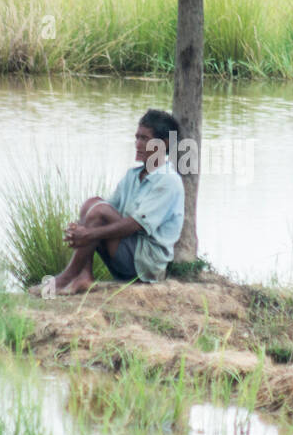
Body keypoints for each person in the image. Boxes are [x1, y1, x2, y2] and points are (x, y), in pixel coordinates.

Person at [40, 109, 185, 296]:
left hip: (145, 262)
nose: (137, 144)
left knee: (98, 213)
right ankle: (83, 276)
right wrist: (83, 229)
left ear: (163, 144)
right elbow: (105, 210)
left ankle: (67, 277)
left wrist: (89, 234)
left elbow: (135, 225)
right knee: (91, 204)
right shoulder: (133, 176)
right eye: (137, 138)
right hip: (126, 249)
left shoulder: (168, 181)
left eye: (145, 139)